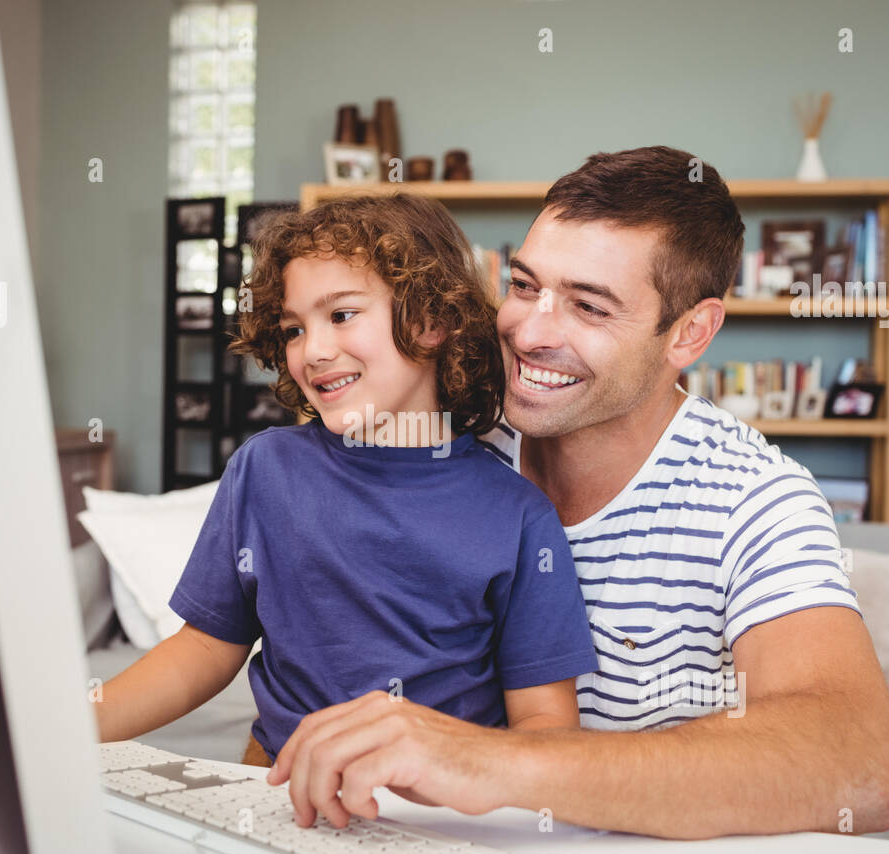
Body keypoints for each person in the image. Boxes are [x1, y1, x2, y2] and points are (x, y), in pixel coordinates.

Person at [266, 146, 889, 838]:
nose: (528, 333)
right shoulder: (441, 435)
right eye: (522, 285)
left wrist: (496, 762)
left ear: (691, 333)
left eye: (589, 307)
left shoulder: (756, 499)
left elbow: (860, 768)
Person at [94, 192, 598, 766]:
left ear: (431, 321)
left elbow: (544, 723)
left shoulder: (519, 515)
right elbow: (206, 646)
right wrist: (77, 722)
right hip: (276, 794)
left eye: (340, 315)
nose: (313, 351)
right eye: (292, 330)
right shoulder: (264, 471)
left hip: (435, 819)